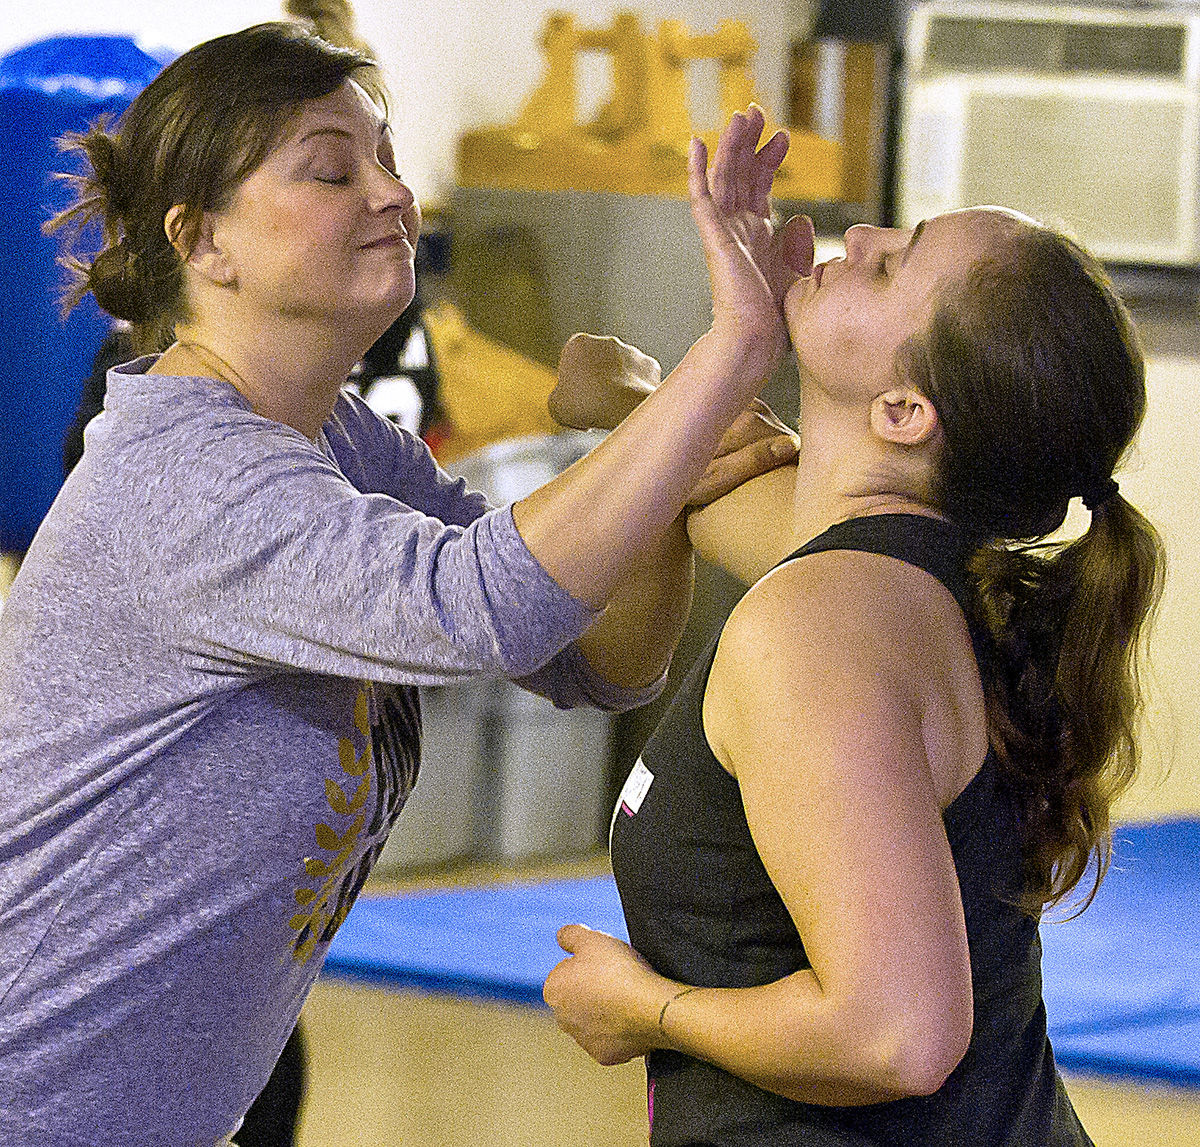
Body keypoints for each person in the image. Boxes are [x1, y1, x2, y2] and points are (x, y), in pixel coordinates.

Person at [0, 22, 804, 1146]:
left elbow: (597, 658)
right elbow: (487, 600)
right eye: (333, 169)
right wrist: (726, 358)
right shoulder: (184, 476)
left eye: (387, 156)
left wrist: (661, 474)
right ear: (203, 241)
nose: (392, 194)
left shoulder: (334, 437)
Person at [543, 140, 1166, 1141]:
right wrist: (638, 384)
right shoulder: (895, 571)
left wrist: (645, 1010)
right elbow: (699, 483)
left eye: (891, 262)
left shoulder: (821, 629)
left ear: (906, 411)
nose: (862, 234)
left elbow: (898, 1034)